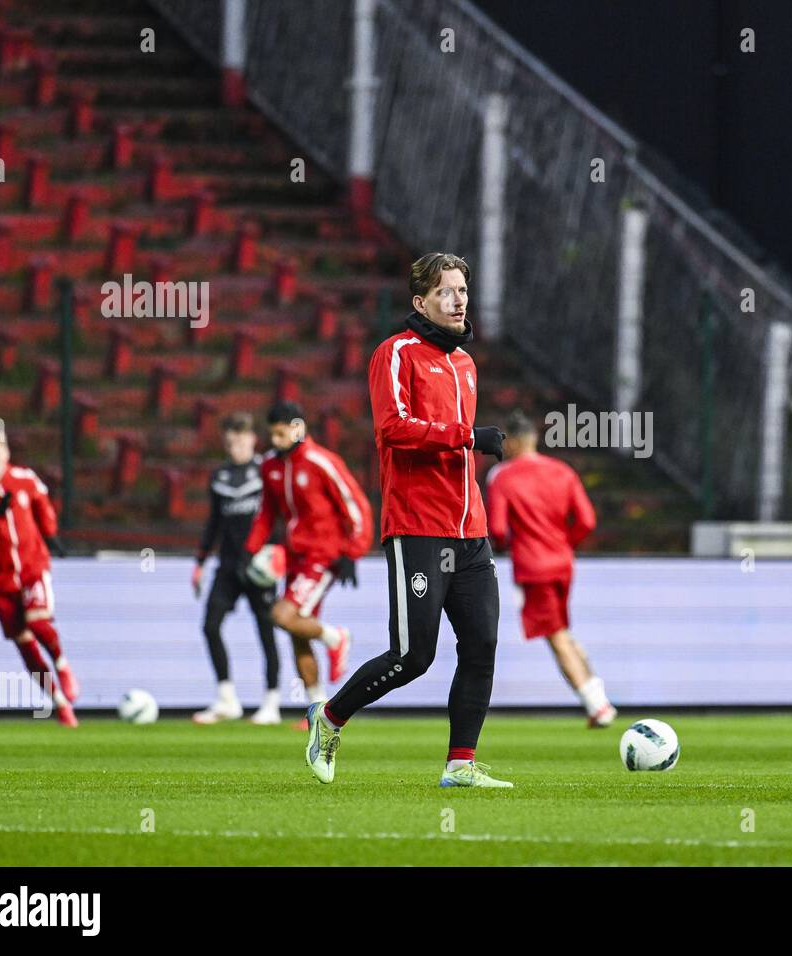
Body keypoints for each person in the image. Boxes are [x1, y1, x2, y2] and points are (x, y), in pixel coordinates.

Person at [305, 252, 511, 788]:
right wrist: (468, 437)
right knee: (412, 655)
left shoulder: (464, 364)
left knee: (482, 647)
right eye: (446, 291)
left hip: (471, 533)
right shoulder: (395, 353)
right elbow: (393, 429)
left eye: (463, 289)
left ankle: (460, 765)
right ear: (420, 302)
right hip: (418, 526)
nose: (459, 298)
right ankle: (328, 718)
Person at [243, 400, 372, 725]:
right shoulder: (270, 466)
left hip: (323, 555)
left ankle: (335, 637)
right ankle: (318, 708)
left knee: (281, 615)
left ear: (297, 428)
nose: (275, 440)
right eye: (272, 434)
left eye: (281, 433)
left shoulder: (321, 461)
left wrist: (352, 551)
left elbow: (354, 503)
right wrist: (250, 549)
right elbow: (266, 513)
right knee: (296, 631)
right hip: (295, 558)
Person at [486, 410, 615, 727]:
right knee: (562, 630)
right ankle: (597, 691)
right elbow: (587, 520)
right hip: (562, 563)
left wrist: (514, 546)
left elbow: (498, 529)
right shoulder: (562, 471)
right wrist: (564, 545)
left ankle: (596, 706)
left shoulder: (502, 476)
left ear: (514, 442)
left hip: (533, 567)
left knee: (555, 636)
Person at [0, 427, 79, 726]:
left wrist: (49, 535)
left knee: (38, 621)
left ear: (6, 454)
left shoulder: (24, 479)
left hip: (32, 567)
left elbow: (42, 503)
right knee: (24, 642)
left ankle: (62, 665)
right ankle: (59, 702)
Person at [192, 412, 281, 725]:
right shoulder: (220, 477)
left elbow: (280, 514)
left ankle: (271, 702)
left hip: (260, 566)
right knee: (210, 625)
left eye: (241, 440)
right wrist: (200, 562)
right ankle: (226, 698)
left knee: (266, 631)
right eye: (230, 441)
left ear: (253, 439)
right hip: (228, 566)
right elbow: (214, 523)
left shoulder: (267, 471)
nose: (236, 447)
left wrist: (279, 551)